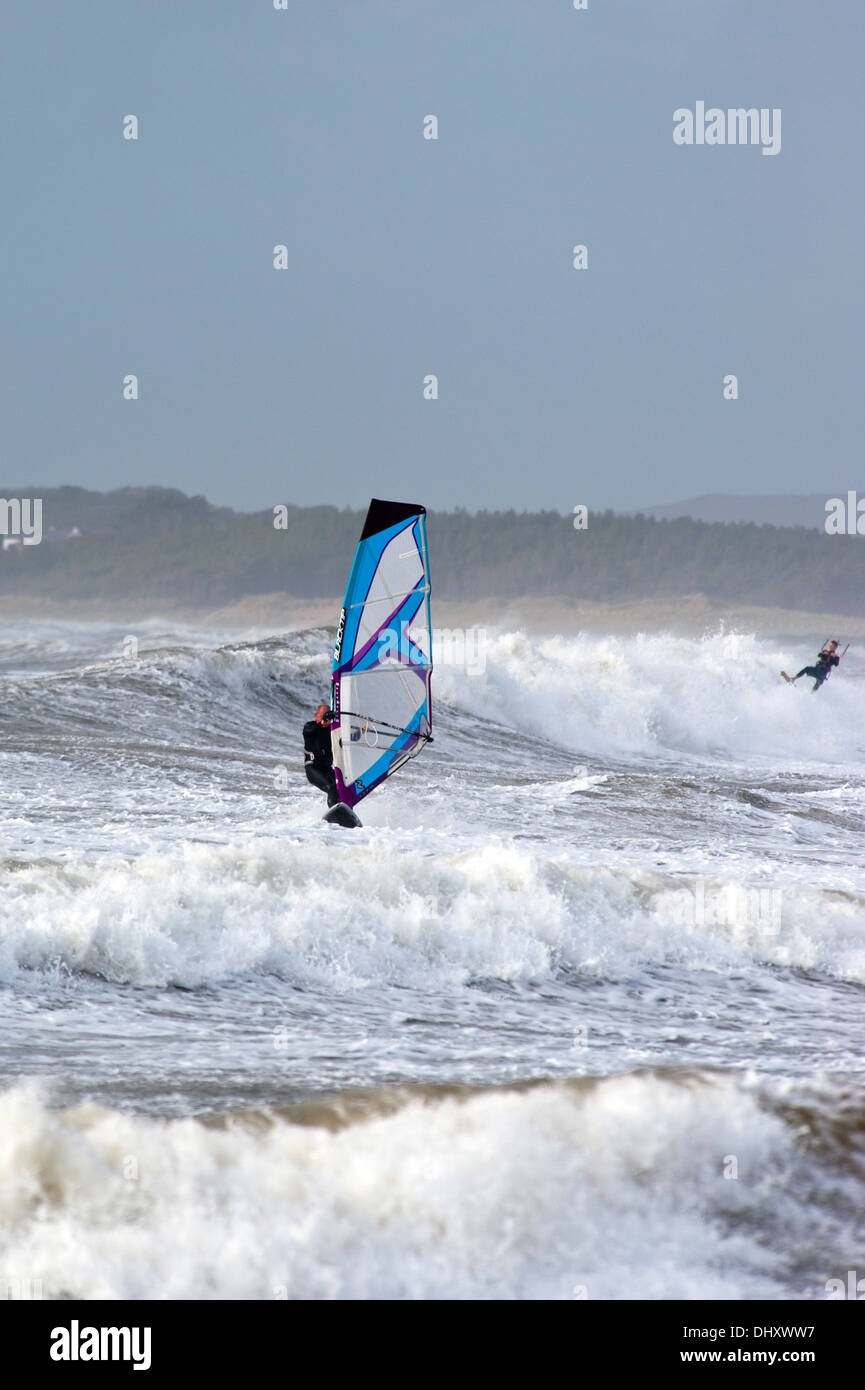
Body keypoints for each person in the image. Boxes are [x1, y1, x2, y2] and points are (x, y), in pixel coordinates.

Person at [303, 702, 339, 806]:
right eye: (323, 715)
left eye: (327, 716)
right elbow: (310, 731)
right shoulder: (309, 727)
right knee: (331, 788)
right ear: (316, 715)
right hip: (313, 768)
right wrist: (321, 723)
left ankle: (345, 812)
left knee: (341, 787)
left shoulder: (332, 731)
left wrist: (361, 732)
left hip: (326, 769)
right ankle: (334, 814)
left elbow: (347, 738)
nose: (325, 719)